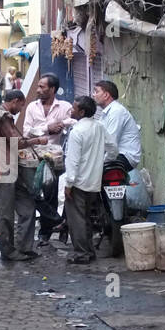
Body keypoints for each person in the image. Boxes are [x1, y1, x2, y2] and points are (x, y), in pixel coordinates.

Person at [23, 73, 73, 244]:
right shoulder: (32, 107)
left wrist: (62, 126)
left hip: (56, 158)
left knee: (52, 195)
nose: (38, 90)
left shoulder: (64, 106)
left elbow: (73, 124)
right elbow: (27, 131)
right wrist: (47, 128)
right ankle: (56, 221)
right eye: (38, 86)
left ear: (52, 89)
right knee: (35, 194)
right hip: (34, 157)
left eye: (42, 87)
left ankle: (46, 232)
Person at [0, 89, 39, 262]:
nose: (20, 109)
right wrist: (37, 141)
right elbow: (15, 142)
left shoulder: (2, 115)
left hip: (13, 167)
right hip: (3, 169)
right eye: (21, 105)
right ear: (16, 101)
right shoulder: (2, 115)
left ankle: (24, 247)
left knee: (27, 208)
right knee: (5, 214)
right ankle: (8, 251)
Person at [63, 95, 108, 265]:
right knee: (86, 217)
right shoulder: (99, 127)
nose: (71, 110)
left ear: (81, 112)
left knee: (77, 219)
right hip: (94, 182)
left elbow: (73, 162)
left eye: (74, 108)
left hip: (79, 183)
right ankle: (88, 250)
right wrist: (101, 163)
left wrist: (68, 184)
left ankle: (81, 253)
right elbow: (113, 148)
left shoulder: (77, 132)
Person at [93, 79, 143, 169]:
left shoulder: (116, 111)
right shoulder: (106, 112)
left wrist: (100, 163)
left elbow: (111, 143)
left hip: (125, 156)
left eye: (96, 92)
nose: (93, 95)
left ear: (106, 95)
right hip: (116, 154)